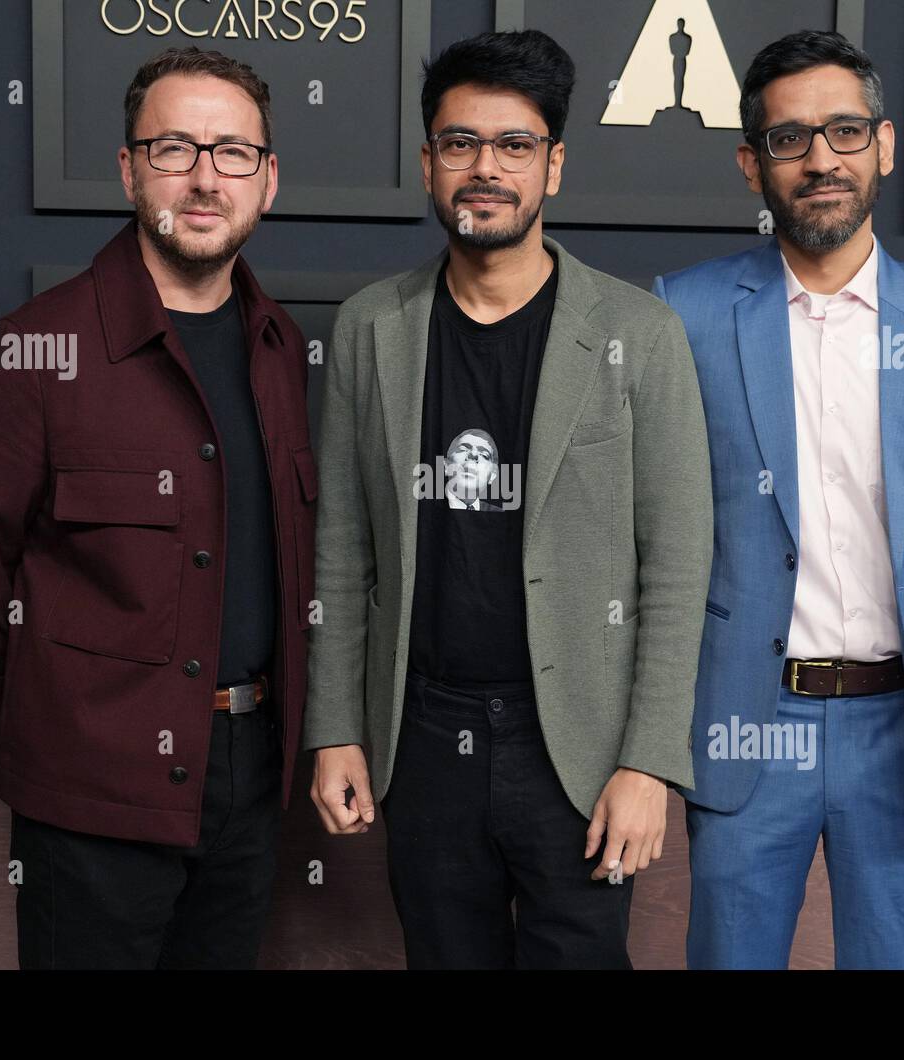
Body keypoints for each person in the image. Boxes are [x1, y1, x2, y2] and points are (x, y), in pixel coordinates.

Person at [303, 28, 712, 969]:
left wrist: (649, 763)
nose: (485, 169)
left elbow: (680, 563)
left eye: (514, 145)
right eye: (460, 144)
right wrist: (335, 731)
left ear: (553, 166)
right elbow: (343, 546)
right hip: (423, 730)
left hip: (576, 747)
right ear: (427, 163)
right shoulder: (371, 327)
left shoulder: (638, 333)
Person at [0, 46, 314, 969]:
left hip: (252, 788)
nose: (205, 177)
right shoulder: (26, 355)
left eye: (232, 153)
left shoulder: (282, 348)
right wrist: (49, 741)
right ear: (129, 168)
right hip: (86, 801)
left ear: (269, 181)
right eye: (174, 148)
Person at [654, 30, 904, 968]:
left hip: (903, 727)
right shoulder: (681, 314)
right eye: (790, 139)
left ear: (886, 146)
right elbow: (661, 518)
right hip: (746, 720)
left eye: (846, 131)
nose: (822, 158)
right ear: (750, 165)